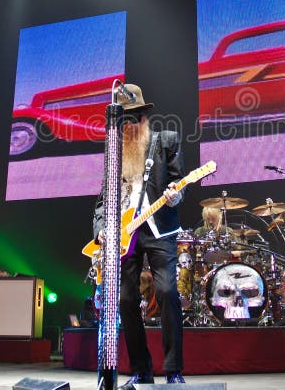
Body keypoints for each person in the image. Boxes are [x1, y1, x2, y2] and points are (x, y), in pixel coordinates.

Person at [92, 83, 186, 387]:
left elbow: (178, 183)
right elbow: (103, 199)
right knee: (125, 300)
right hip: (124, 234)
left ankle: (173, 370)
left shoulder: (166, 141)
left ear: (144, 117)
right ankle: (142, 370)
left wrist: (175, 196)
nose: (129, 124)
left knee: (168, 292)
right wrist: (102, 229)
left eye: (133, 117)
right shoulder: (114, 152)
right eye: (123, 119)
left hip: (159, 228)